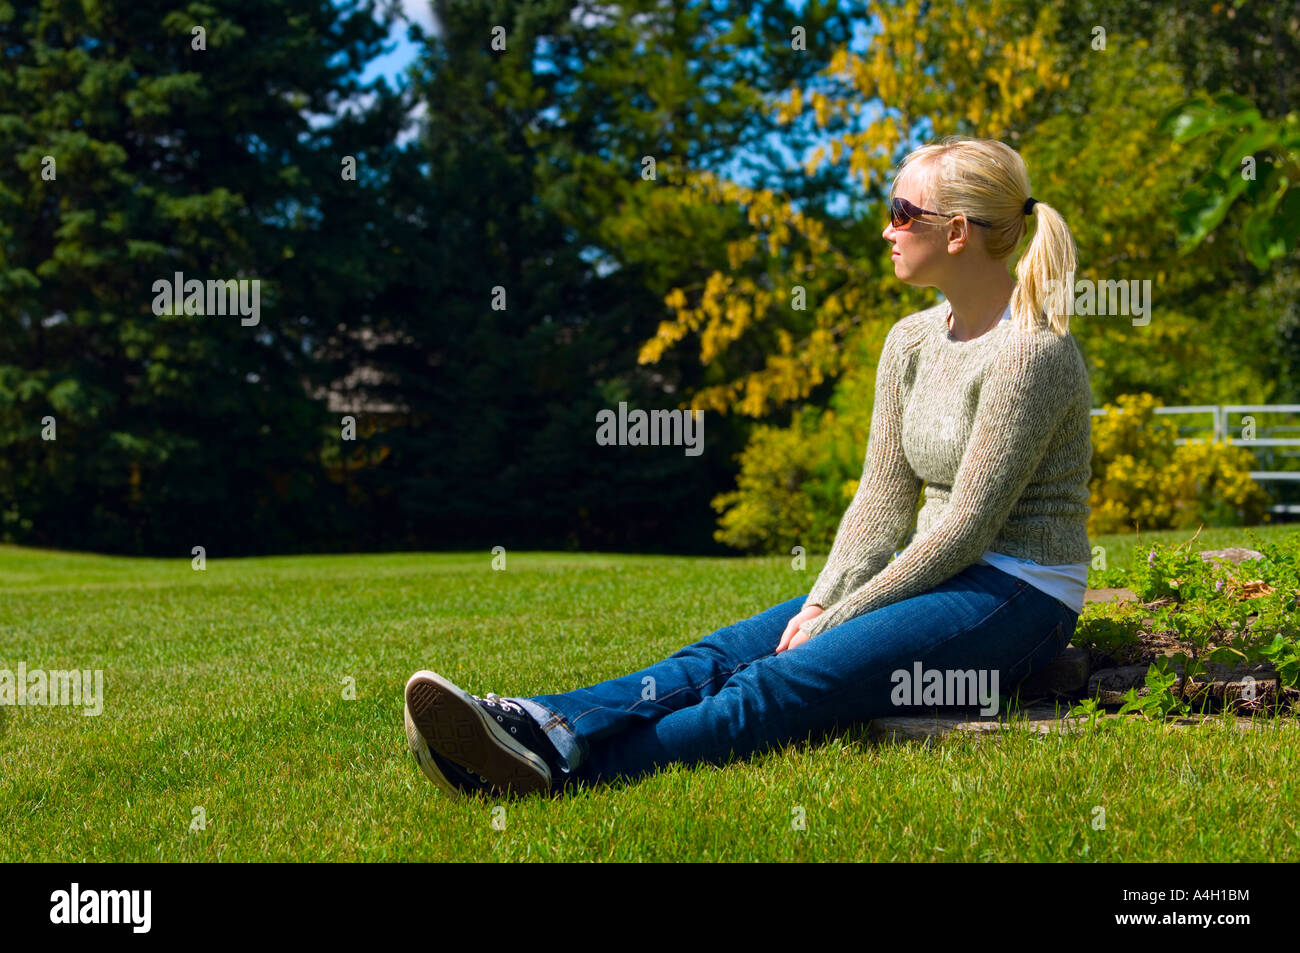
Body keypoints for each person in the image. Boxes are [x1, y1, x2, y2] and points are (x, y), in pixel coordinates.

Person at [402, 135, 1093, 800]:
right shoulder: (910, 341)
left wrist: (843, 615)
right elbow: (880, 502)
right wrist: (825, 598)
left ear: (958, 232)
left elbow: (967, 529)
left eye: (901, 213)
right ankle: (545, 724)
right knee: (714, 657)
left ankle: (546, 775)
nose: (887, 230)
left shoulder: (1031, 353)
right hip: (933, 573)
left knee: (773, 686)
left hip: (1017, 593)